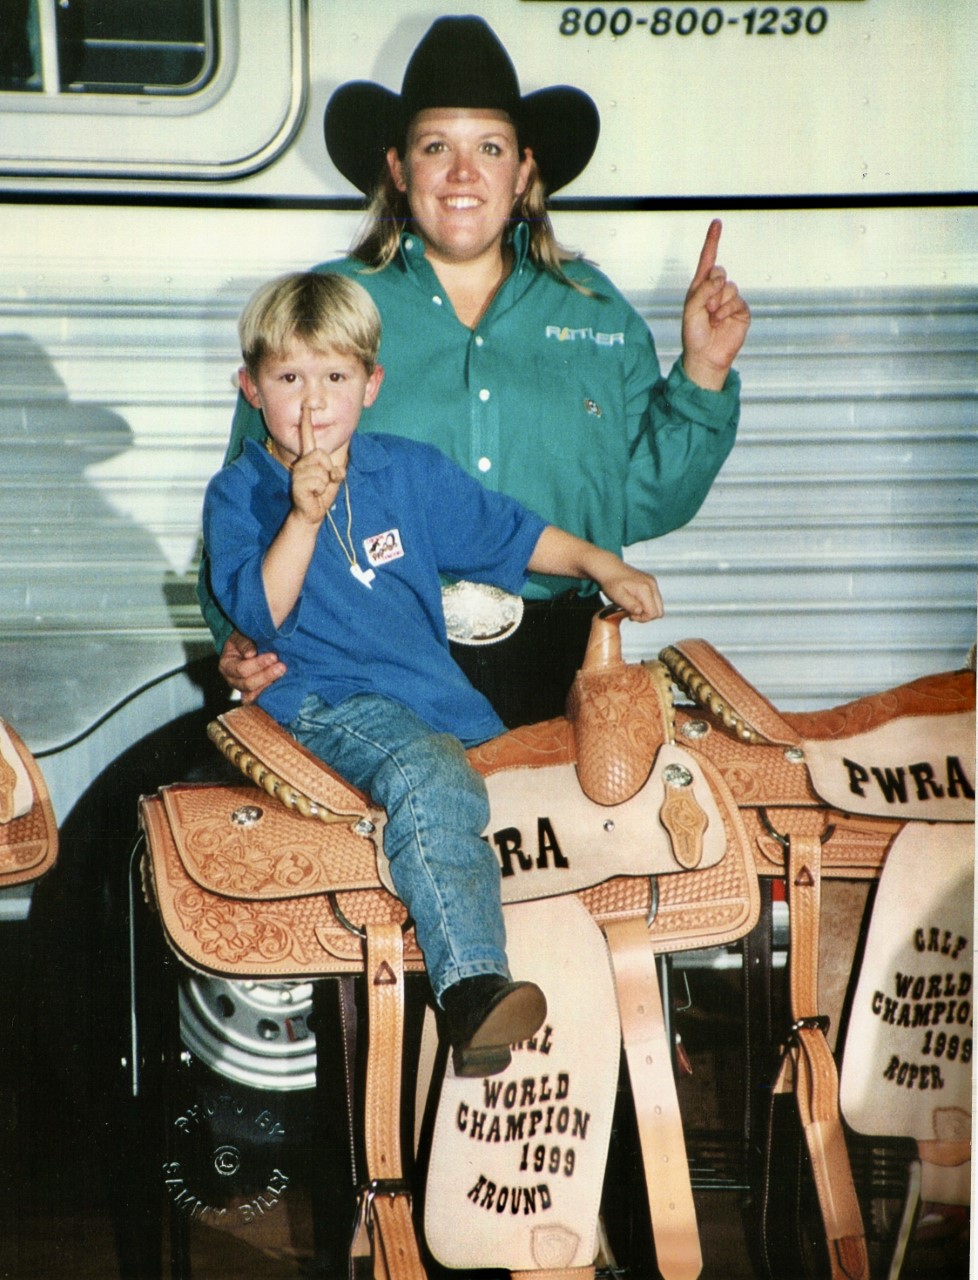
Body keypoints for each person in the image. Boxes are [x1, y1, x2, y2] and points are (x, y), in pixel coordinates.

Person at [199, 13, 750, 728]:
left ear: (523, 172)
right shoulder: (329, 311)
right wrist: (232, 638)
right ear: (398, 169)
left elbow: (643, 502)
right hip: (372, 664)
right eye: (437, 147)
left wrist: (703, 371)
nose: (463, 174)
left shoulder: (597, 312)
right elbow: (245, 498)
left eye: (488, 147)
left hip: (564, 660)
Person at [202, 270, 664, 1077]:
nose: (313, 403)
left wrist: (600, 563)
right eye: (287, 379)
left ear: (372, 384)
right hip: (320, 701)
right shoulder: (240, 492)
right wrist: (304, 516)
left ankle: (600, 1022)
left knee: (549, 787)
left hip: (434, 697)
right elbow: (262, 613)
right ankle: (473, 989)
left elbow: (509, 537)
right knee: (430, 774)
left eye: (335, 377)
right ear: (250, 387)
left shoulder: (405, 471)